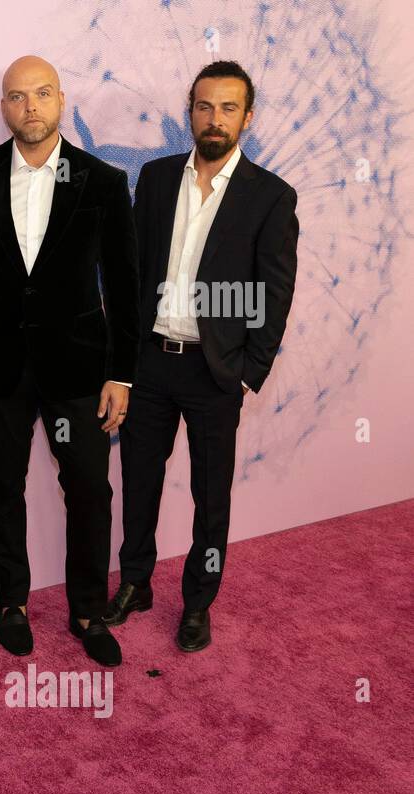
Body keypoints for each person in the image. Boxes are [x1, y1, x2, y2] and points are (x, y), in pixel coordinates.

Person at [104, 61, 299, 652]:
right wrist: (122, 365)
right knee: (138, 480)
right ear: (189, 112)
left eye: (228, 108)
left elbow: (274, 290)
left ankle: (198, 601)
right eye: (205, 107)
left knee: (211, 496)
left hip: (216, 371)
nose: (215, 120)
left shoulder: (270, 196)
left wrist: (247, 373)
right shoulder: (158, 179)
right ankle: (135, 583)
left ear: (248, 117)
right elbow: (131, 274)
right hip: (150, 364)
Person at [0, 55, 140, 667]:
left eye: (41, 94)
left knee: (90, 491)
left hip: (81, 369)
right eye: (17, 96)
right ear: (3, 107)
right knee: (2, 489)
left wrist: (122, 373)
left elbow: (125, 285)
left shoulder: (102, 180)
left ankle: (89, 609)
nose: (31, 107)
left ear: (61, 99)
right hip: (1, 369)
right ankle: (12, 602)